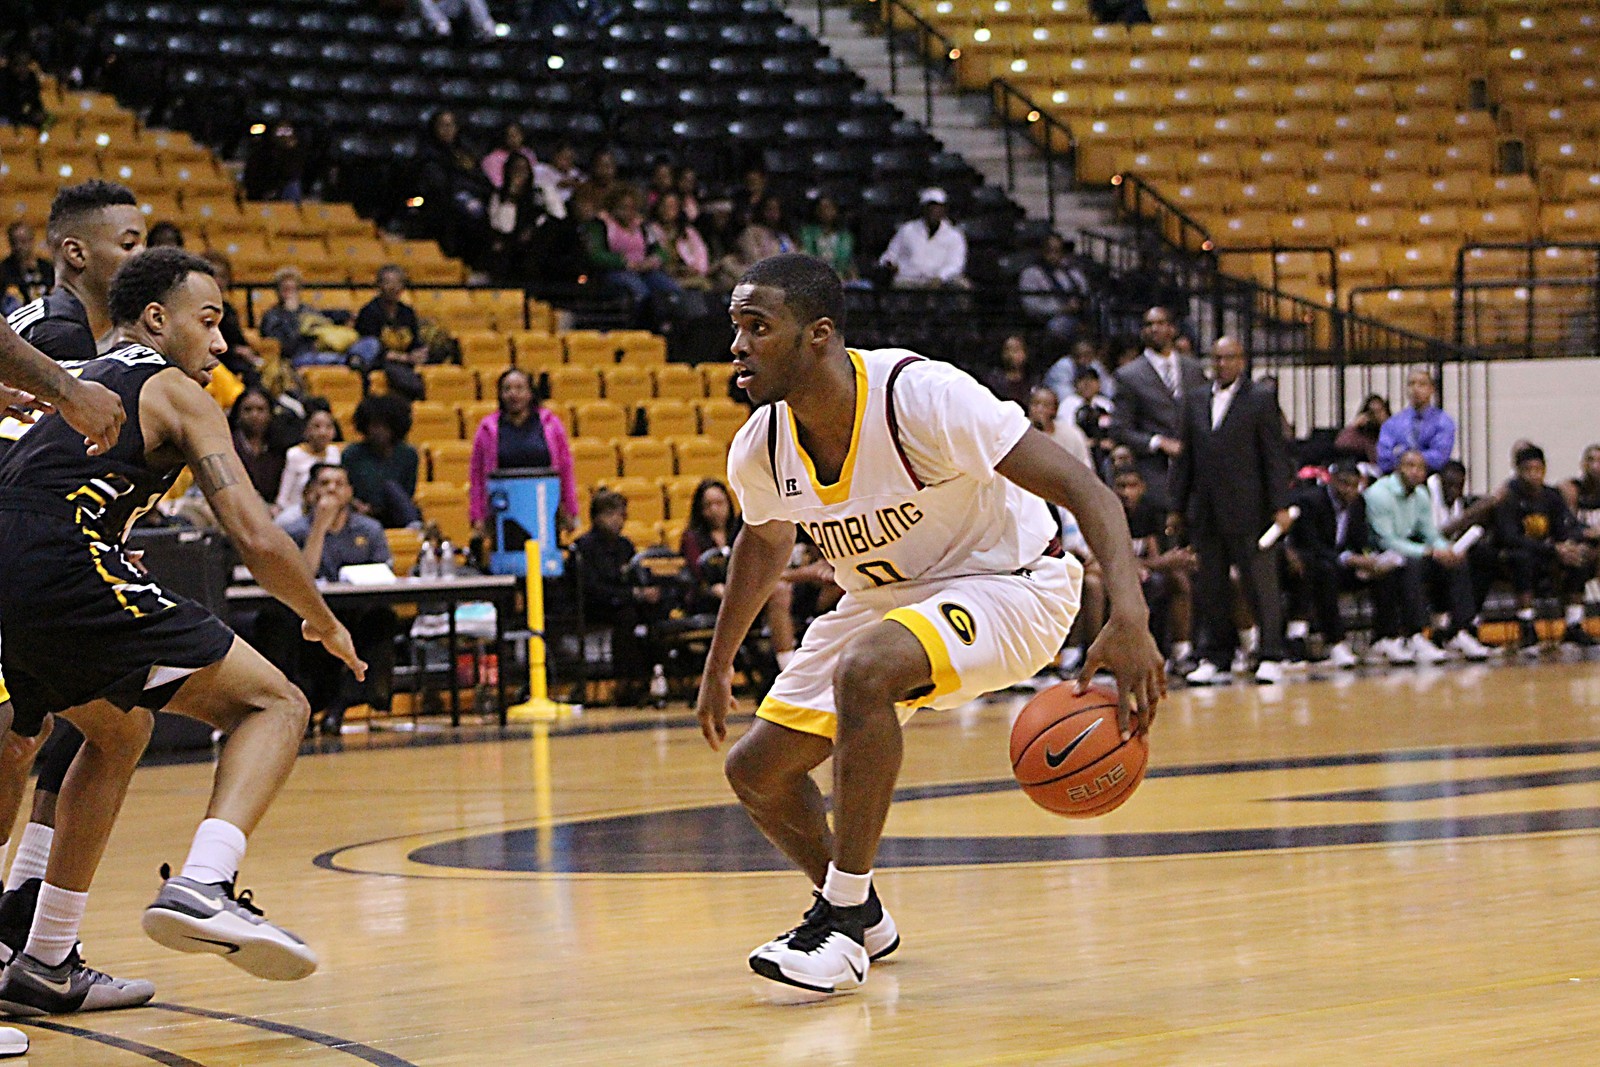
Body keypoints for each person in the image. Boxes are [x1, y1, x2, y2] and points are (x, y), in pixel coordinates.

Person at [696, 254, 1164, 994]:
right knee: (756, 772)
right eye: (736, 328)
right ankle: (866, 915)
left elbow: (1086, 488)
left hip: (1013, 584)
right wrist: (720, 659)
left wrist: (1131, 612)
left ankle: (840, 923)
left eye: (758, 327)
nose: (738, 345)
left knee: (866, 668)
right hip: (890, 601)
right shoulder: (762, 445)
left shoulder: (921, 397)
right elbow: (765, 537)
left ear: (818, 335)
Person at [0, 247, 362, 1014]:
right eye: (211, 321)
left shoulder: (80, 384)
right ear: (158, 320)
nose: (223, 344)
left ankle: (46, 956)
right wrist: (322, 619)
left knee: (118, 731)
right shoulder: (169, 387)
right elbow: (256, 536)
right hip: (65, 566)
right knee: (277, 704)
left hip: (12, 582)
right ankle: (205, 882)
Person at [0, 181, 144, 971]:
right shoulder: (62, 334)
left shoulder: (39, 323)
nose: (141, 255)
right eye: (128, 242)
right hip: (22, 549)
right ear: (75, 253)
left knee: (87, 718)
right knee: (23, 735)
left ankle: (30, 919)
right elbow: (45, 469)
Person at [1168, 336, 1293, 685]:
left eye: (1229, 358)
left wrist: (1280, 504)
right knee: (1211, 586)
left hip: (1250, 510)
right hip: (1206, 511)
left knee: (1259, 583)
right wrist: (1177, 506)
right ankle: (1217, 656)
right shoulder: (1193, 401)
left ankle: (1270, 654)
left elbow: (1274, 457)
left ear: (1242, 360)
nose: (1222, 364)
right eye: (1217, 358)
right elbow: (1185, 458)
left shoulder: (1260, 399)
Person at [270, 464, 396, 735]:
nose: (331, 489)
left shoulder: (370, 529)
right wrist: (319, 528)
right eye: (325, 483)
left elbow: (384, 574)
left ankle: (346, 703)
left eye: (339, 484)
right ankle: (306, 705)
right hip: (309, 616)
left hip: (357, 612)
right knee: (282, 625)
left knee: (382, 619)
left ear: (350, 492)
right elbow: (301, 578)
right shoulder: (293, 531)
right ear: (311, 491)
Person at [1364, 449, 1490, 664]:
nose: (1415, 472)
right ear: (1398, 468)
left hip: (1409, 550)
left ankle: (1457, 631)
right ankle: (1416, 635)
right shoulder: (1379, 494)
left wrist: (1446, 550)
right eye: (1410, 466)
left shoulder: (1421, 495)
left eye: (1420, 468)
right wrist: (1430, 552)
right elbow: (1387, 540)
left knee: (1456, 562)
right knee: (1412, 565)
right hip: (1376, 554)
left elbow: (1430, 534)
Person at [678, 478, 799, 667]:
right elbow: (697, 574)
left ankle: (787, 660)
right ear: (700, 509)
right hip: (708, 595)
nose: (714, 510)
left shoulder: (740, 530)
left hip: (743, 591)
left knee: (780, 589)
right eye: (708, 505)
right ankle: (786, 663)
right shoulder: (692, 537)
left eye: (719, 503)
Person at [1495, 443, 1595, 652]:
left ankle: (1573, 625)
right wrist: (1553, 549)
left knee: (1578, 557)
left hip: (1547, 553)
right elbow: (1510, 537)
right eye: (1528, 470)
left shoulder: (1551, 496)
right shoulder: (1508, 496)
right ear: (1518, 471)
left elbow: (1565, 526)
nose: (1534, 476)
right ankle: (1527, 626)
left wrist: (1571, 544)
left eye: (1538, 470)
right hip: (1513, 555)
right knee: (1522, 558)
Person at [1284, 461, 1379, 669]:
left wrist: (1367, 559)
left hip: (1341, 564)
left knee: (1385, 573)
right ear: (1332, 481)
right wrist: (1347, 559)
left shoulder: (1358, 504)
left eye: (1354, 486)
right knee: (1323, 571)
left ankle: (1387, 638)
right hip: (1312, 562)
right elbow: (1310, 544)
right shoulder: (1312, 501)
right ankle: (1335, 642)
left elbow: (1359, 541)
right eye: (1344, 484)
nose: (1349, 490)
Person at [468, 368, 578, 543]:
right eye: (507, 389)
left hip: (544, 508)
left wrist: (571, 509)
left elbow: (565, 468)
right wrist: (477, 515)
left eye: (519, 388)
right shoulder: (487, 428)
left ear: (530, 393)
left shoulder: (551, 424)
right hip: (504, 511)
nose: (513, 394)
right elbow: (477, 475)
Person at [1110, 305, 1207, 504]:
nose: (1155, 329)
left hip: (1194, 470)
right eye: (1149, 324)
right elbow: (1120, 429)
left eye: (1161, 323)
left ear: (1173, 329)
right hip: (1154, 472)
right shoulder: (1128, 375)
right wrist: (1157, 442)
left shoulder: (1194, 369)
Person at [573, 490, 662, 704]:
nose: (617, 520)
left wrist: (645, 591)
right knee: (627, 616)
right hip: (595, 606)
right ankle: (625, 681)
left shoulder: (625, 545)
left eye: (621, 515)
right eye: (611, 514)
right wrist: (632, 594)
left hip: (624, 601)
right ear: (597, 517)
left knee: (655, 612)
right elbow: (591, 588)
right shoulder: (583, 547)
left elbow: (634, 576)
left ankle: (655, 673)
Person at [1113, 466, 1195, 663]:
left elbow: (1154, 555)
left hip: (1143, 572)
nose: (1126, 493)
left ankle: (1181, 652)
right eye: (1121, 487)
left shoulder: (1149, 512)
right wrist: (1158, 563)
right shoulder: (1108, 514)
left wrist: (1156, 564)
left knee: (1177, 579)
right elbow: (1110, 561)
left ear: (1142, 487)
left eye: (1132, 486)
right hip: (1110, 575)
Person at [598, 187, 682, 325]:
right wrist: (623, 262)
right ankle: (640, 327)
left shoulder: (643, 226)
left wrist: (653, 261)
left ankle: (671, 327)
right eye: (623, 207)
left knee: (672, 290)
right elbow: (596, 255)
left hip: (644, 270)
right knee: (640, 292)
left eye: (632, 208)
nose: (628, 212)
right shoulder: (603, 225)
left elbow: (661, 251)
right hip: (618, 270)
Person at [342, 394, 421, 528]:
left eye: (384, 426)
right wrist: (358, 505)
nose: (378, 431)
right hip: (359, 514)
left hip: (394, 513)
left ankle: (414, 527)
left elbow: (408, 492)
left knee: (392, 488)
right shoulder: (352, 454)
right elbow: (345, 488)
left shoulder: (408, 454)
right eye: (374, 425)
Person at [879, 187, 968, 289]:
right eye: (930, 207)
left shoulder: (955, 235)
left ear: (944, 209)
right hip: (910, 279)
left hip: (941, 281)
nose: (933, 211)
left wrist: (940, 277)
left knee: (962, 285)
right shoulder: (907, 229)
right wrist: (890, 263)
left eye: (937, 207)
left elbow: (956, 264)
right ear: (923, 208)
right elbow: (890, 255)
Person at [351, 265, 428, 374]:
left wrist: (420, 353)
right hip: (378, 364)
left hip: (405, 362)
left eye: (398, 283)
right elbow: (370, 347)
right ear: (379, 285)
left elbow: (415, 341)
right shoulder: (369, 312)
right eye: (388, 283)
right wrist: (404, 358)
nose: (393, 287)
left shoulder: (407, 312)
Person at [1376, 368, 1455, 474]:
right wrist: (1421, 456)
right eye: (1411, 384)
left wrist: (1404, 455)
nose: (1415, 389)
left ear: (1432, 389)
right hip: (1397, 476)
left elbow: (1439, 457)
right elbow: (1383, 458)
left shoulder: (1443, 422)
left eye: (1422, 384)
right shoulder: (1392, 423)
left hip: (1430, 475)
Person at [274, 406, 341, 523]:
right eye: (316, 426)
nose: (322, 432)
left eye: (328, 427)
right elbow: (284, 495)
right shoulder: (294, 454)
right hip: (299, 513)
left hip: (329, 512)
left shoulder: (334, 452)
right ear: (307, 430)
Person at [1018, 234, 1091, 340]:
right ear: (1042, 251)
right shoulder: (1031, 273)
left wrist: (1081, 302)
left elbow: (1084, 290)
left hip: (1080, 313)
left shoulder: (1072, 271)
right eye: (1050, 250)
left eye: (1058, 251)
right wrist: (1062, 308)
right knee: (1058, 326)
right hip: (1052, 318)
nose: (1054, 255)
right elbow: (1030, 305)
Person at [228, 385, 286, 504]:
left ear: (270, 414)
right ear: (238, 414)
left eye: (260, 409)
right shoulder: (227, 445)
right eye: (248, 409)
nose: (254, 415)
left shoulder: (280, 448)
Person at [1025, 384, 1092, 468]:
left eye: (1045, 405)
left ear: (1055, 409)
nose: (1039, 409)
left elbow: (1085, 465)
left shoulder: (1072, 434)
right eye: (1035, 404)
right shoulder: (1021, 432)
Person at [798, 197, 857, 282]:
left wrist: (854, 279)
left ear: (835, 210)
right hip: (816, 279)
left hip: (841, 279)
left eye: (828, 207)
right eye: (821, 208)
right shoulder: (808, 233)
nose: (825, 211)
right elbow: (806, 257)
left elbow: (848, 263)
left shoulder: (845, 237)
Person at [1, 222, 52, 307]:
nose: (19, 246)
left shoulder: (47, 268)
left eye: (23, 241)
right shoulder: (3, 270)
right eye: (14, 242)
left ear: (32, 240)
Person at [980, 334, 1037, 410]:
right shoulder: (992, 381)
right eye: (1008, 350)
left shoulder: (1033, 382)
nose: (1011, 354)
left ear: (1025, 353)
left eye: (1016, 350)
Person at [1334, 393, 1389, 468]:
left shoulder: (1391, 432)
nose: (1377, 416)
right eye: (1373, 412)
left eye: (1380, 411)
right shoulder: (1362, 434)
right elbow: (1340, 443)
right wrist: (1354, 425)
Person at [480, 121, 538, 189]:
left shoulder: (528, 153)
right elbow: (498, 184)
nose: (514, 138)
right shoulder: (492, 159)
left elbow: (535, 177)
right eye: (510, 135)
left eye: (517, 134)